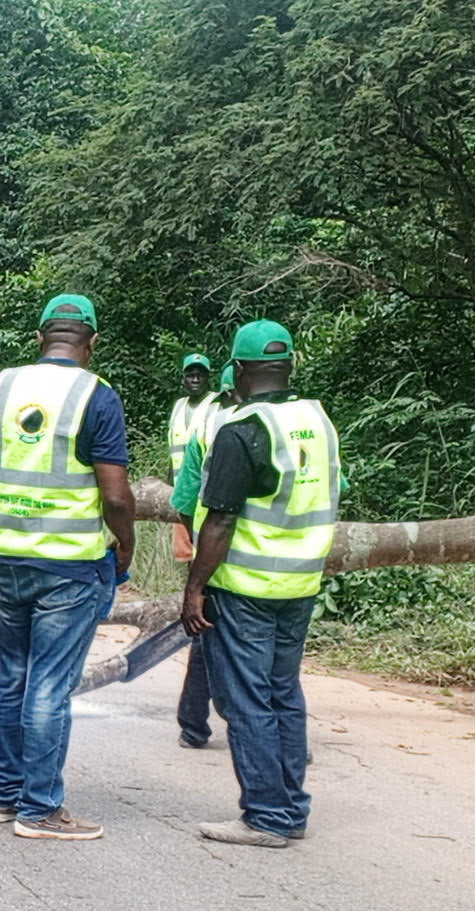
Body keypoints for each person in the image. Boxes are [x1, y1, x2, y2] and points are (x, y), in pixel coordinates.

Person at [0, 293, 136, 840]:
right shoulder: (98, 396)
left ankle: (0, 797)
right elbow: (116, 495)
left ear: (41, 338)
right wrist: (125, 543)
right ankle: (40, 810)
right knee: (49, 687)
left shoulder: (3, 388)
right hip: (68, 567)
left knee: (13, 678)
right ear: (92, 343)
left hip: (10, 561)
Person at [180, 320, 341, 848]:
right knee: (283, 694)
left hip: (247, 586)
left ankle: (266, 817)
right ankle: (291, 809)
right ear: (290, 365)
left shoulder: (242, 430)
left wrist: (194, 587)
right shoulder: (320, 422)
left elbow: (220, 520)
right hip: (300, 585)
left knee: (247, 700)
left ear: (241, 370)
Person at [168, 363, 239, 749]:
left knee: (204, 637)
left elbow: (184, 499)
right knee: (267, 659)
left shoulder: (206, 428)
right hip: (280, 572)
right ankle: (274, 732)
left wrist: (198, 550)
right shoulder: (294, 424)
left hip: (217, 557)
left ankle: (193, 724)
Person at [168, 354, 218, 562]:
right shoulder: (179, 405)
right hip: (182, 490)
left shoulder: (216, 404)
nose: (195, 380)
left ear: (208, 378)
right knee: (185, 553)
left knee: (204, 550)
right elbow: (172, 449)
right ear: (183, 378)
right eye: (191, 375)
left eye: (200, 375)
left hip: (203, 492)